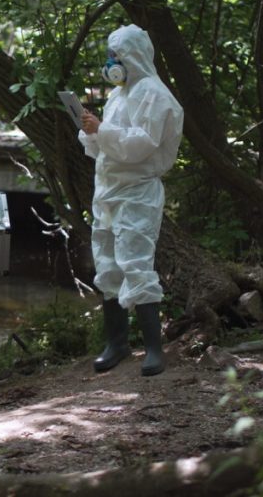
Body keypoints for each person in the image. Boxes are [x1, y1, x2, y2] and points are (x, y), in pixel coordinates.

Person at [77, 24, 184, 377]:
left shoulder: (154, 93)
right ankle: (117, 343)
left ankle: (154, 348)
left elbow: (139, 145)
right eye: (110, 56)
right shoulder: (119, 95)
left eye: (116, 56)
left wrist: (102, 131)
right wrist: (90, 132)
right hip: (108, 191)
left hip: (137, 192)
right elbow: (106, 148)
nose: (111, 63)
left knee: (136, 263)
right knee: (107, 265)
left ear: (133, 56)